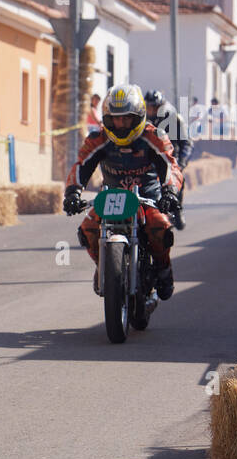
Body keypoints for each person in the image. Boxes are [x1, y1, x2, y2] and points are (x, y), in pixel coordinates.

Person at [63, 83, 183, 301]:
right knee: (87, 229)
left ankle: (164, 269)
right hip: (111, 198)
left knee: (160, 226)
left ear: (138, 116)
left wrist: (171, 191)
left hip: (147, 197)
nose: (121, 124)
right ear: (108, 118)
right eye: (116, 118)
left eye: (127, 118)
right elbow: (81, 165)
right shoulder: (98, 139)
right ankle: (105, 265)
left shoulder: (154, 136)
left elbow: (170, 165)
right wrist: (72, 193)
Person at [144, 89, 191, 229]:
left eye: (154, 107)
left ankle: (177, 208)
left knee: (176, 179)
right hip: (148, 159)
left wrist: (182, 161)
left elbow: (187, 142)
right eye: (149, 107)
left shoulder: (174, 118)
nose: (151, 110)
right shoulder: (141, 120)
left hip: (169, 158)